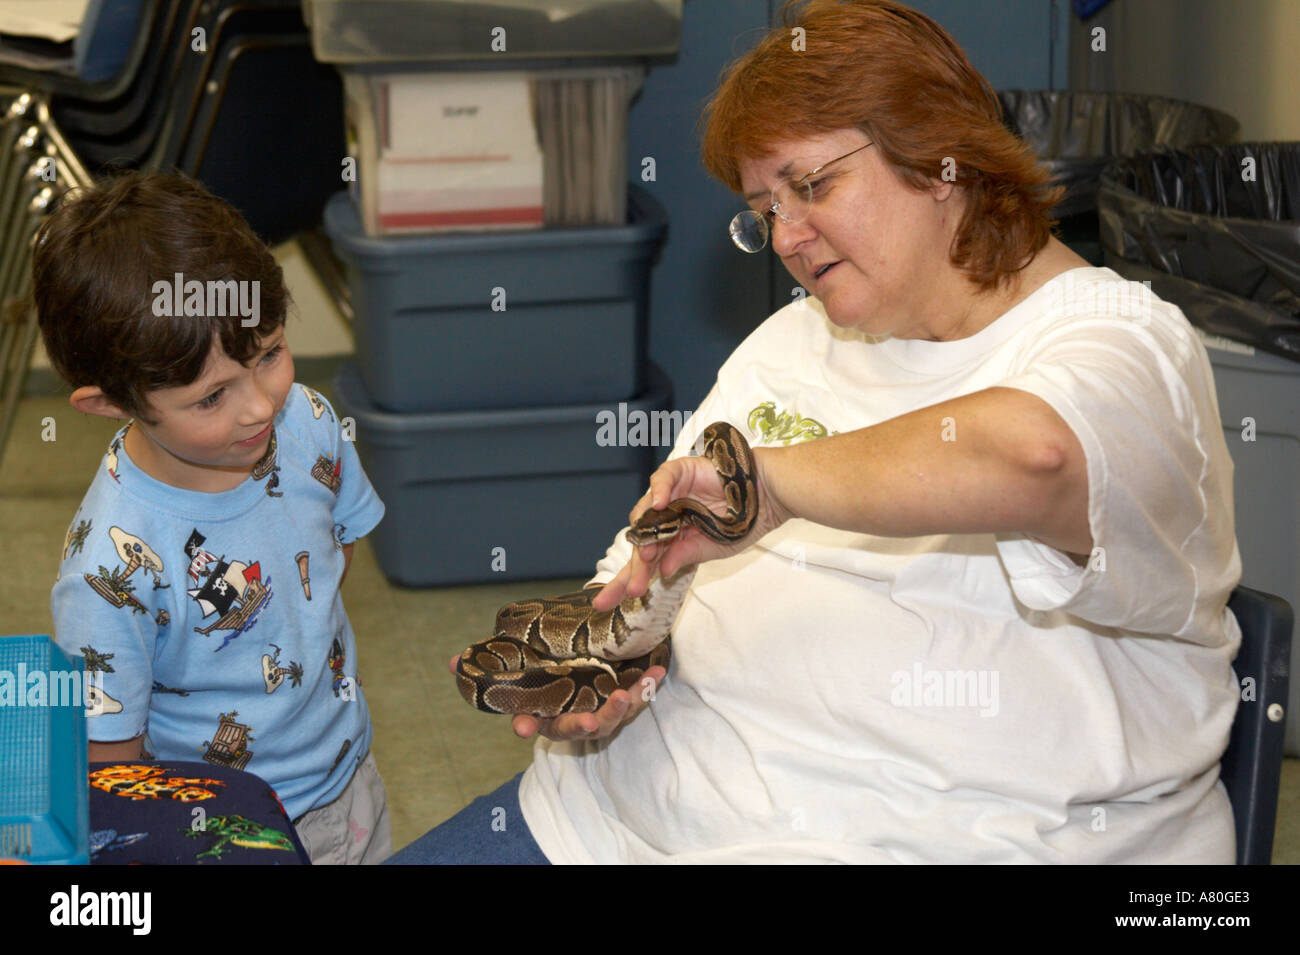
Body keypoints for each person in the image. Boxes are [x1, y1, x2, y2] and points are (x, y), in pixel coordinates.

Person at [392, 0, 1241, 864]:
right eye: (763, 209)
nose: (786, 239)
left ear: (938, 158)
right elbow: (642, 569)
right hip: (602, 816)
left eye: (812, 185)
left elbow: (1035, 455)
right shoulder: (793, 339)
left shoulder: (1126, 344)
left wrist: (773, 485)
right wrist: (612, 660)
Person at [36, 172, 391, 864]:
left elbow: (330, 555)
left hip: (350, 781)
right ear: (112, 402)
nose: (259, 406)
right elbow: (113, 765)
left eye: (270, 354)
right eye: (210, 399)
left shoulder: (310, 422)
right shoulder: (108, 570)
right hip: (225, 836)